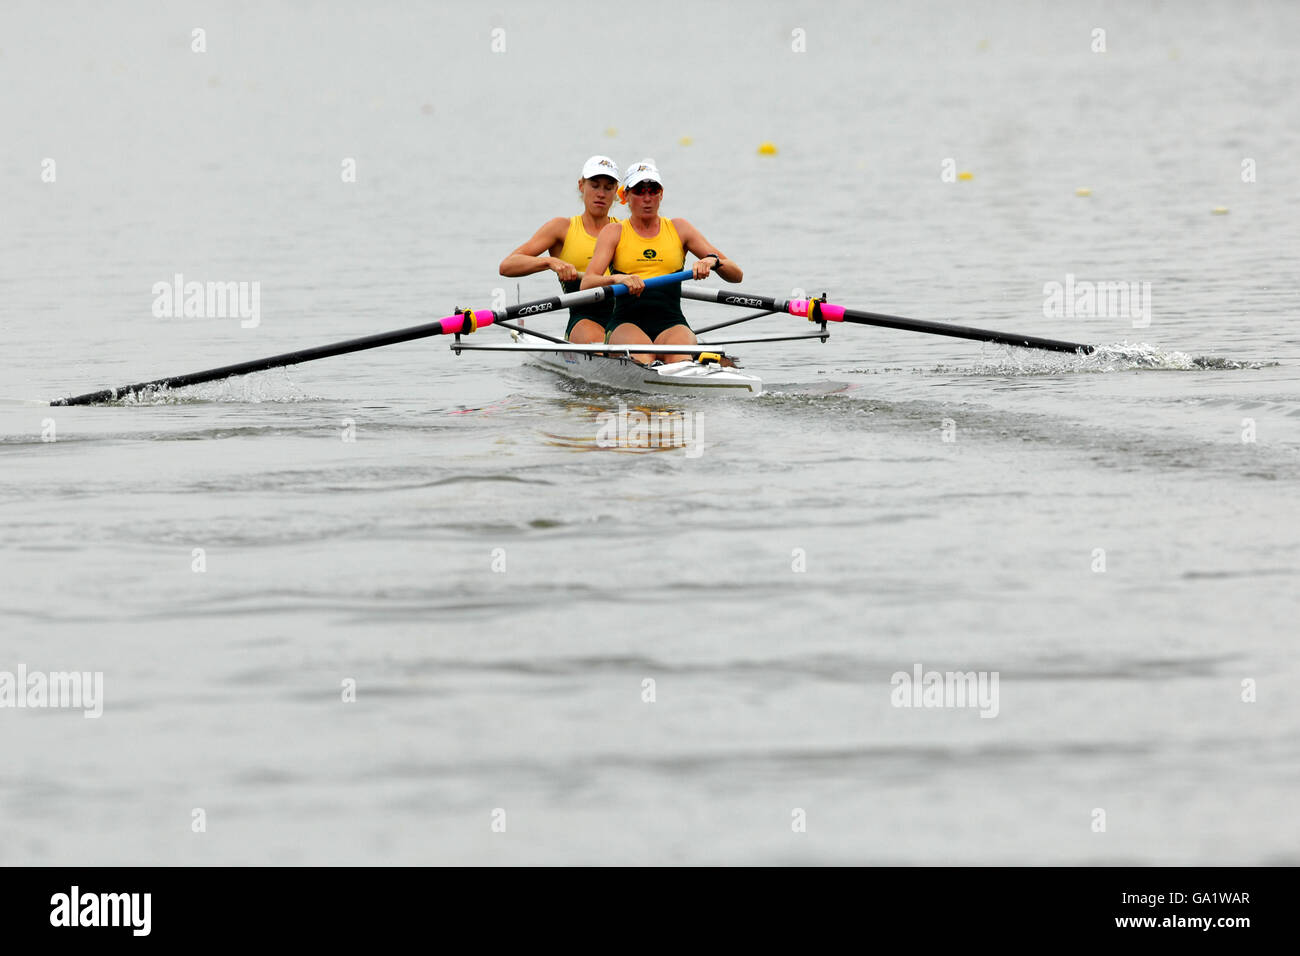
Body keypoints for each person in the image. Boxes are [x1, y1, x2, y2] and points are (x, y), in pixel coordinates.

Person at [580, 159, 741, 364]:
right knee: (644, 358)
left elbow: (737, 275)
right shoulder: (614, 232)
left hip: (672, 323)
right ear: (626, 196)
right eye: (639, 191)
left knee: (680, 360)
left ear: (661, 194)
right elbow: (587, 283)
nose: (647, 198)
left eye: (653, 190)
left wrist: (713, 262)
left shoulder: (679, 228)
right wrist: (618, 279)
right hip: (625, 324)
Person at [498, 156, 622, 344]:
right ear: (581, 186)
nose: (601, 194)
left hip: (625, 322)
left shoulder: (625, 230)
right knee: (605, 346)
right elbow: (507, 266)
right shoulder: (561, 228)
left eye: (608, 187)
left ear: (616, 192)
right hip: (584, 321)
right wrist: (550, 262)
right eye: (595, 185)